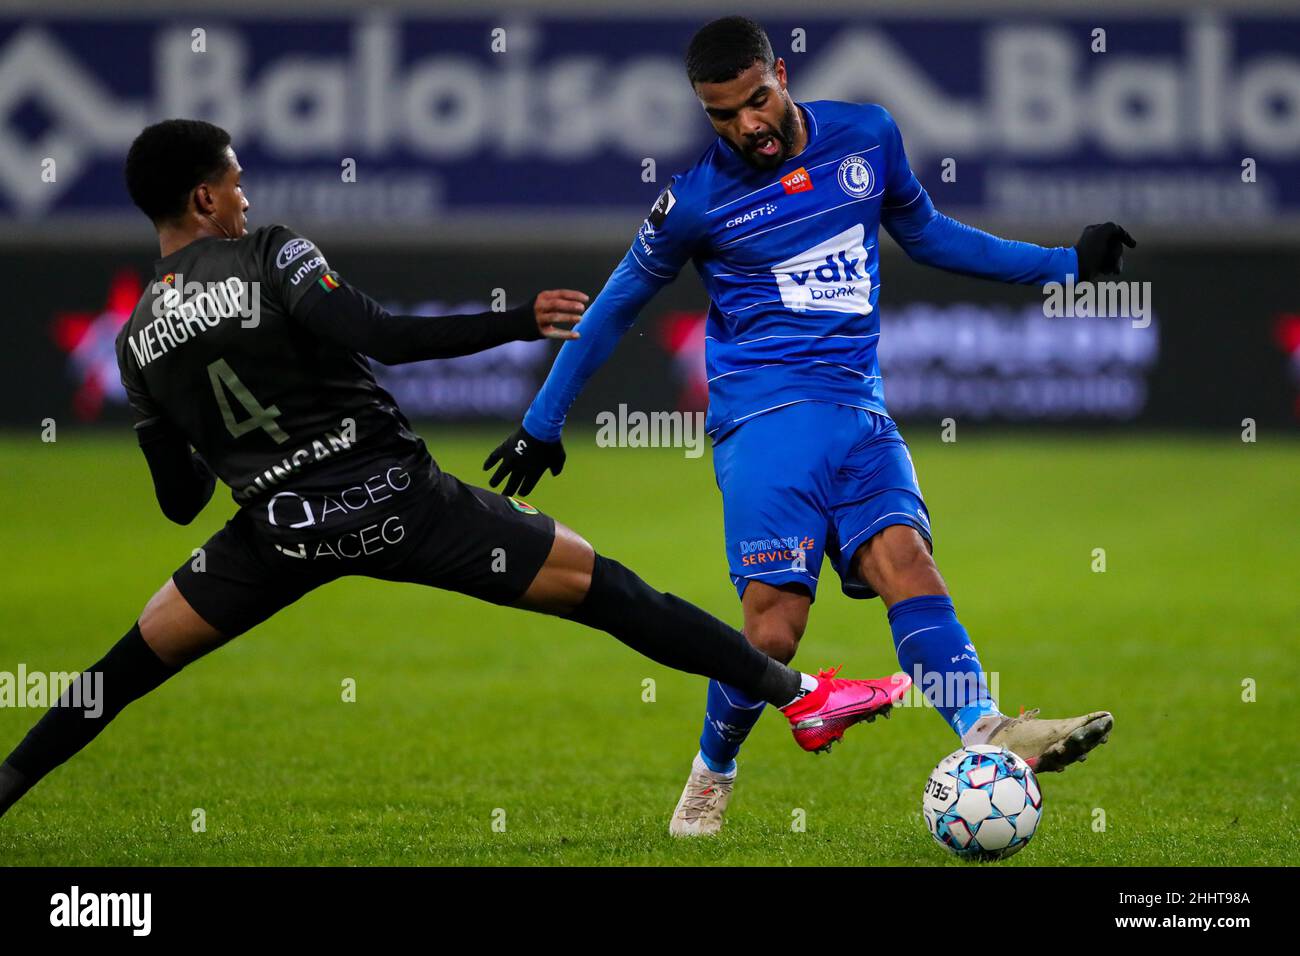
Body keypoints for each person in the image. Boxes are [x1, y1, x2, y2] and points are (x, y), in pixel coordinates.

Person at [0, 118, 911, 822]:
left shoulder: (131, 347)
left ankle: (6, 787)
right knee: (611, 592)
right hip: (398, 499)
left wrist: (205, 431)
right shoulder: (270, 253)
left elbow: (178, 501)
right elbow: (382, 337)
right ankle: (802, 697)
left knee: (121, 671)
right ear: (204, 199)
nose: (243, 197)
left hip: (275, 535)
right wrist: (515, 318)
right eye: (234, 183)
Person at [484, 17, 1122, 836]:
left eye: (756, 100)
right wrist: (542, 422)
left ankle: (985, 728)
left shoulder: (866, 134)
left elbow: (928, 236)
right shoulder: (694, 203)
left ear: (780, 74)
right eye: (722, 115)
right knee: (773, 634)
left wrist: (1065, 263)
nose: (745, 125)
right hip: (766, 422)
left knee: (909, 562)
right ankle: (713, 771)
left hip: (861, 410)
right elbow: (610, 313)